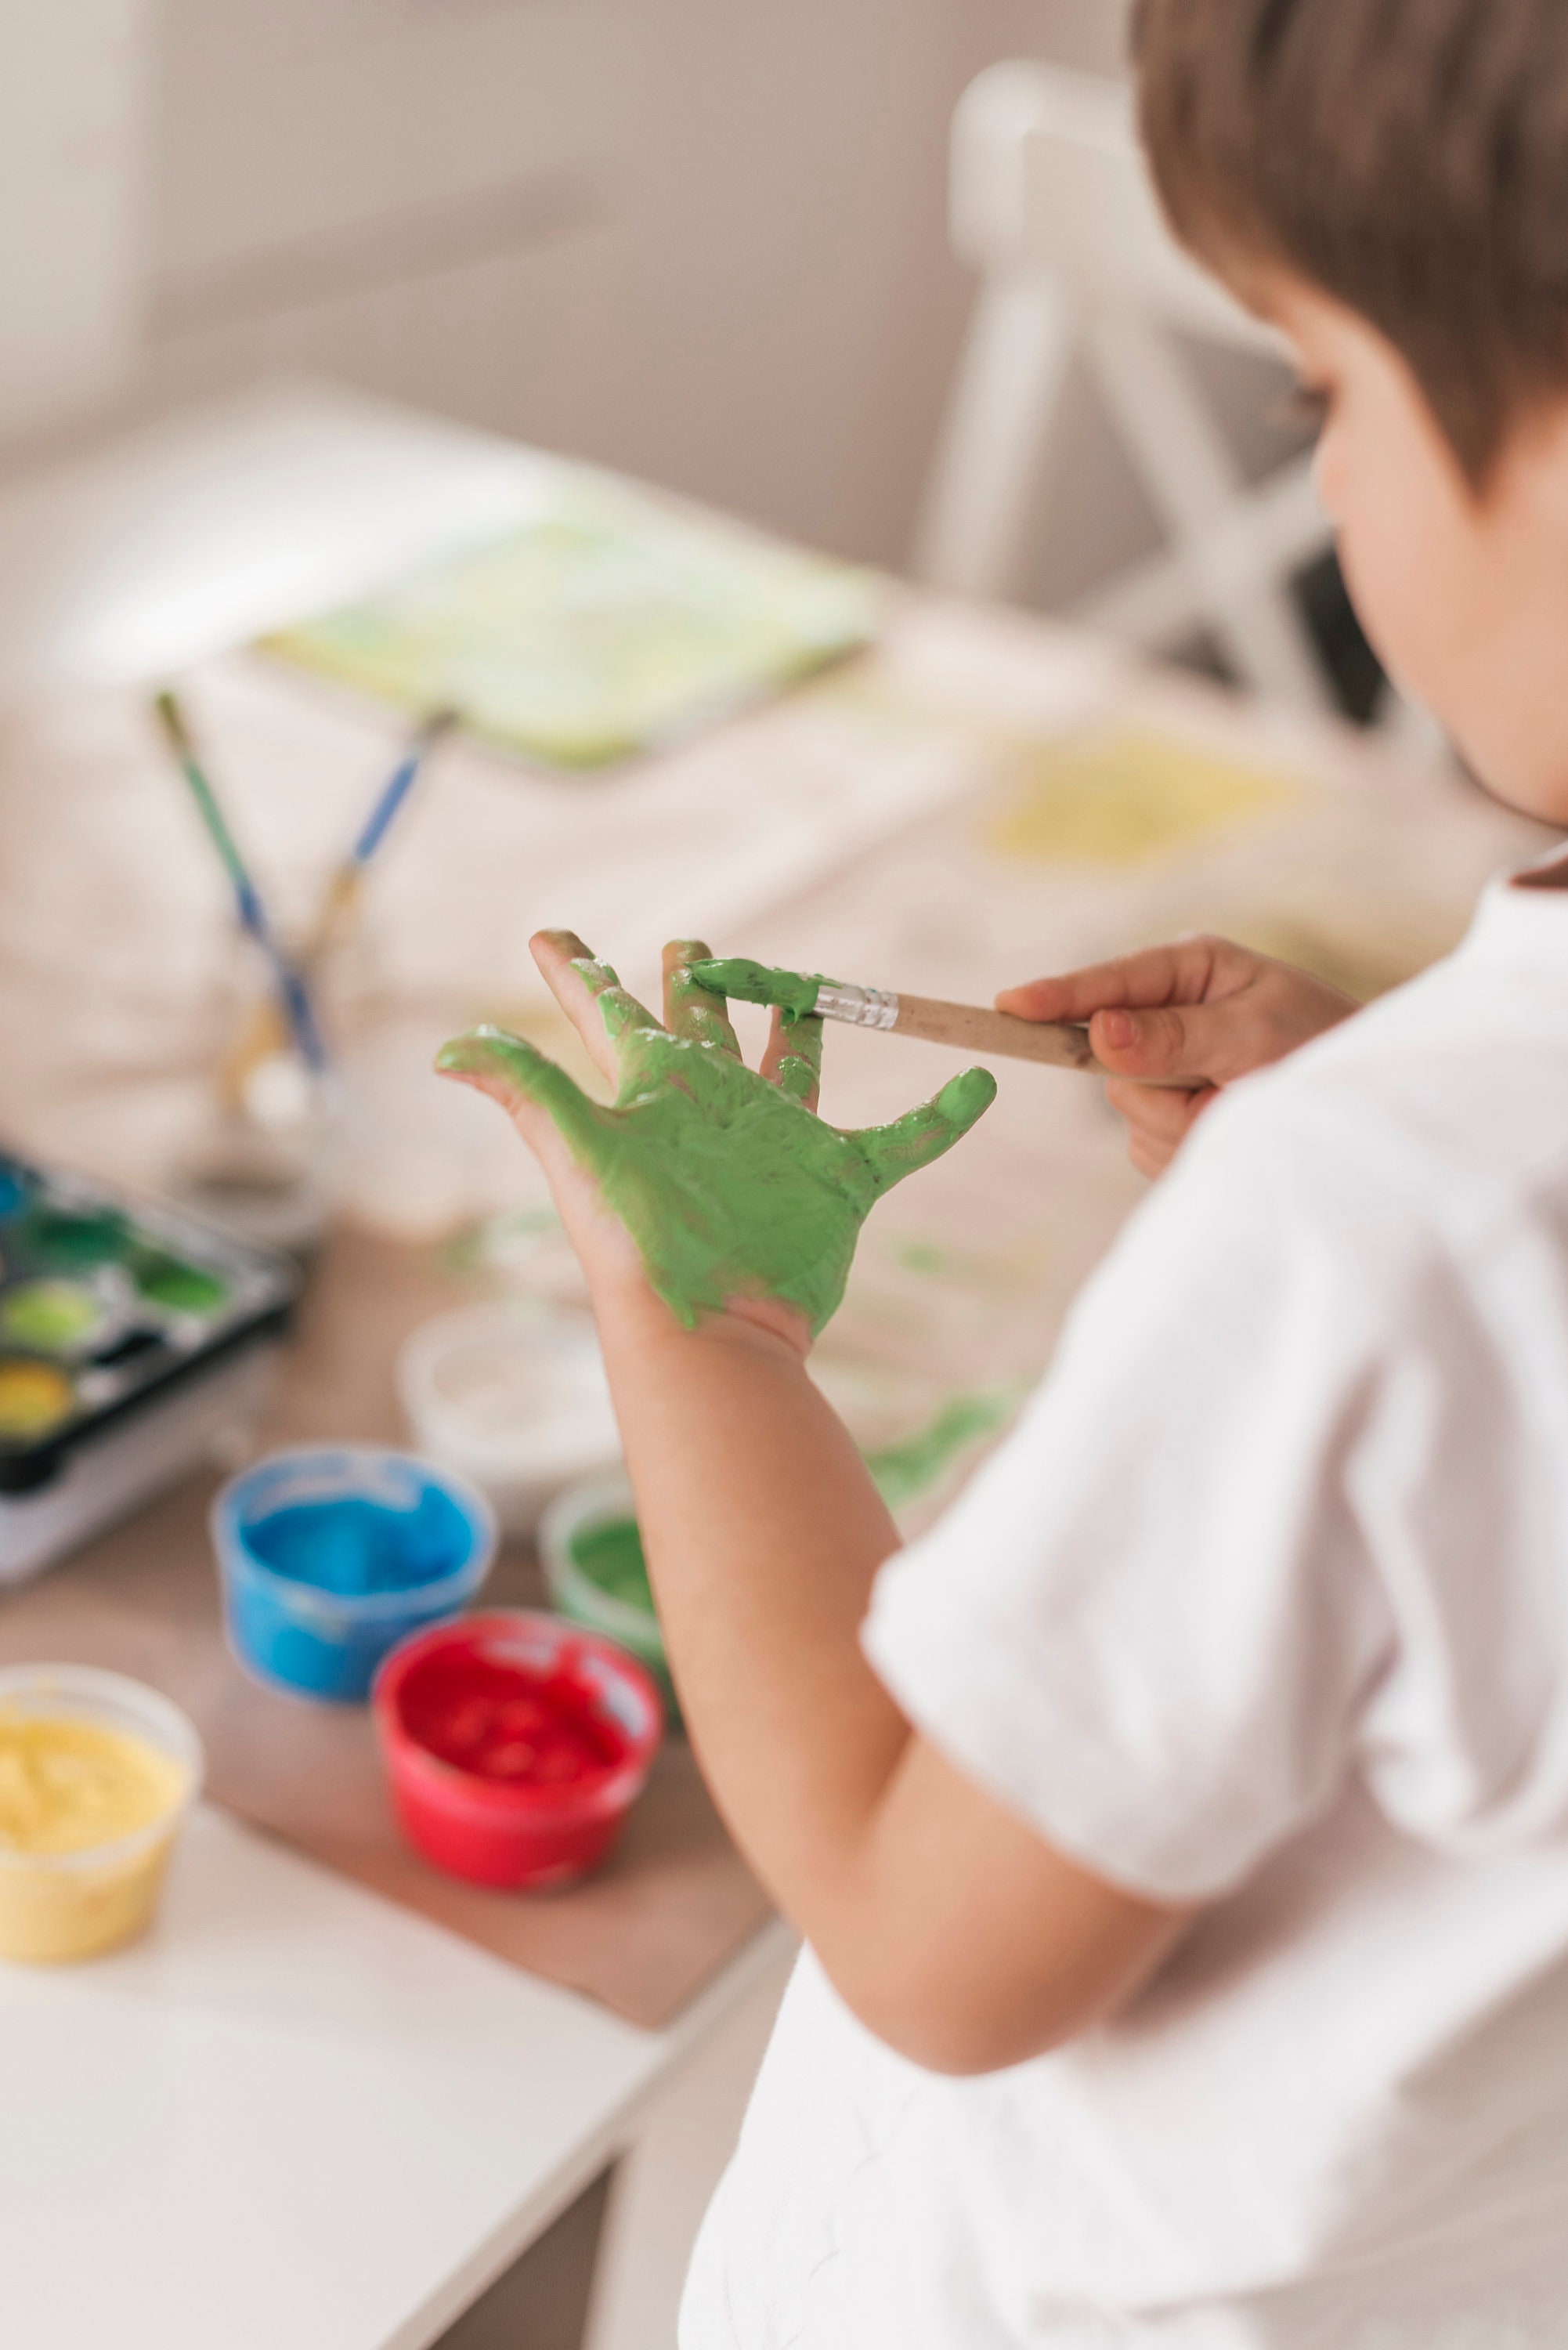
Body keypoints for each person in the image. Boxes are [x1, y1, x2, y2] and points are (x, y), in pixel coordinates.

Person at [439, 2, 1568, 2339]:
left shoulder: (1380, 1225)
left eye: (1318, 391)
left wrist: (707, 1333)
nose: (1327, 480)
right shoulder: (1422, 1185)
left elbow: (922, 1934)